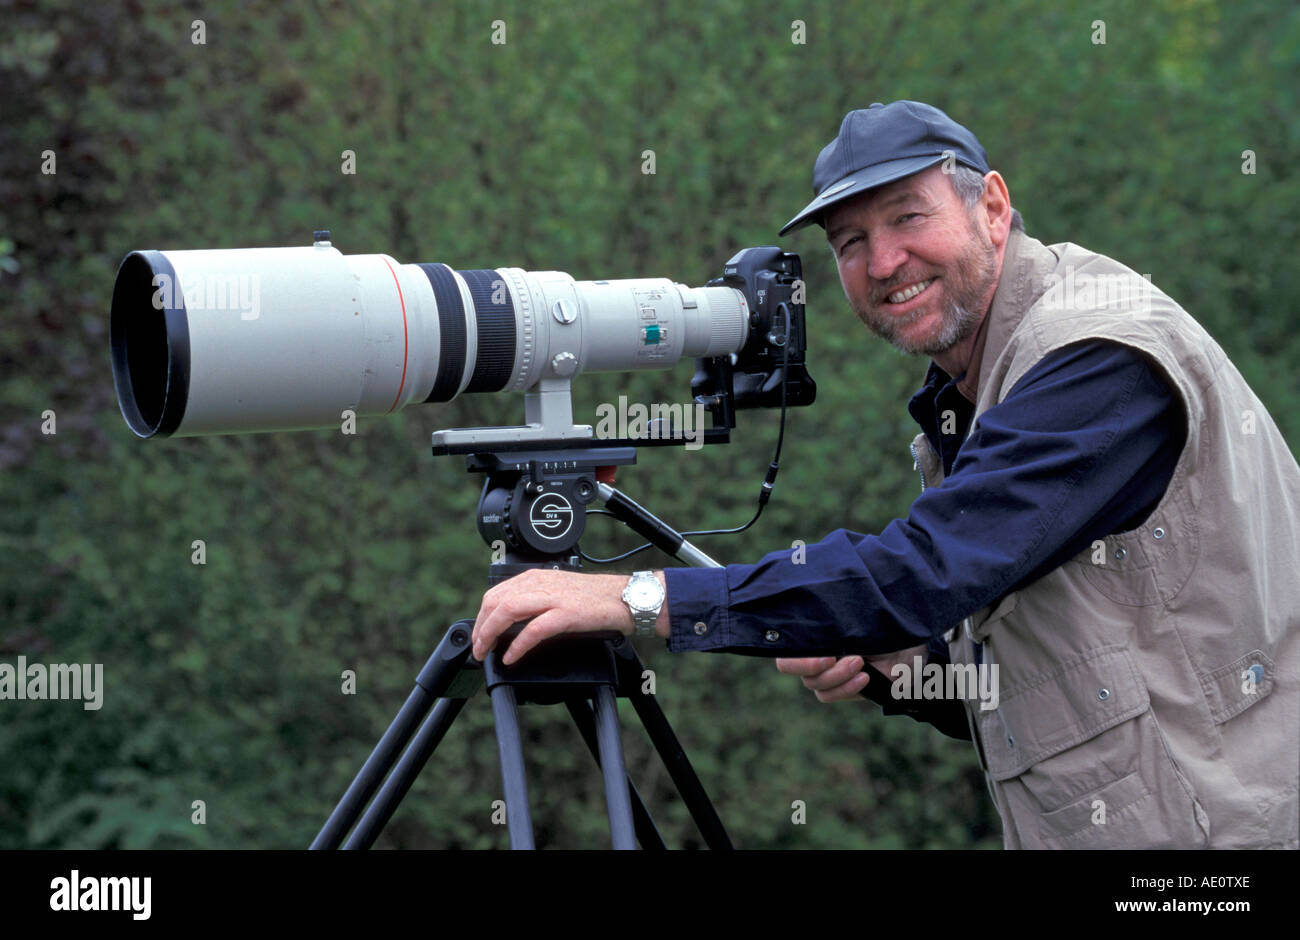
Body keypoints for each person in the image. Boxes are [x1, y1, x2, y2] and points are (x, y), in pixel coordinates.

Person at [471, 100, 1300, 849]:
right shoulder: (976, 389)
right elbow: (1042, 680)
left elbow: (928, 568)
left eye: (908, 218)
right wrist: (898, 670)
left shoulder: (1096, 357)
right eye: (851, 244)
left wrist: (634, 599)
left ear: (994, 208)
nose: (884, 261)